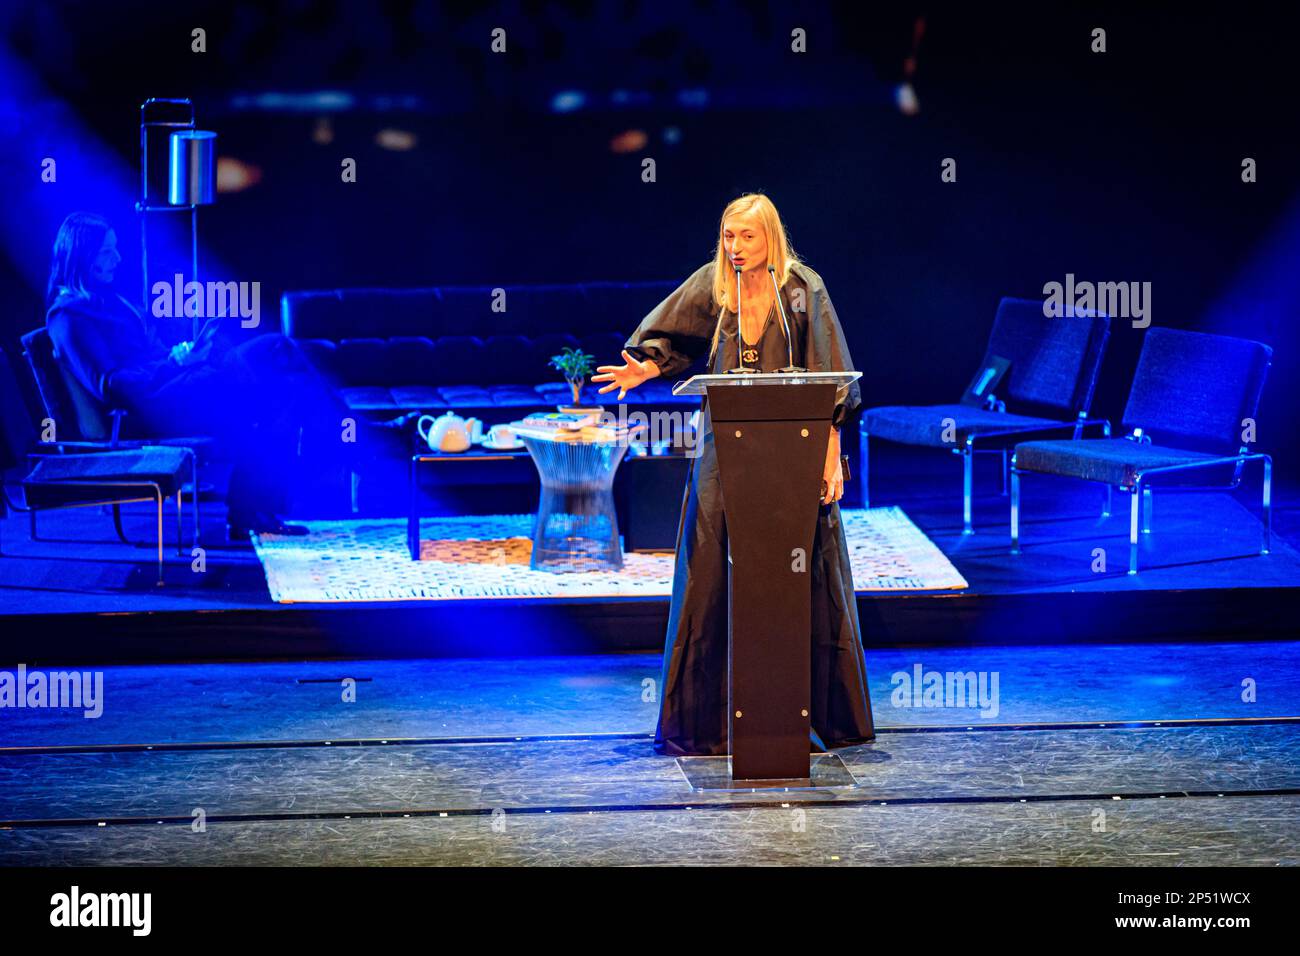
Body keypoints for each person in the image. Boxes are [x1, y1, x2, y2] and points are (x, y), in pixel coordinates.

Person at [592, 192, 874, 756]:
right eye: (728, 236)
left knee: (799, 566)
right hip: (726, 444)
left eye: (747, 236)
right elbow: (670, 339)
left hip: (793, 446)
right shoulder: (713, 286)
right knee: (710, 559)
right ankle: (705, 720)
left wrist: (828, 451)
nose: (736, 247)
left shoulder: (802, 289)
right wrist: (646, 366)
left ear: (770, 236)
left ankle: (814, 715)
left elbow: (832, 378)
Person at [43, 211, 407, 538]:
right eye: (107, 252)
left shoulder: (107, 300)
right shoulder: (70, 317)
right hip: (151, 410)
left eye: (115, 249)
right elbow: (111, 385)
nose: (117, 259)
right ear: (82, 256)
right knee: (278, 368)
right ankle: (364, 445)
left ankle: (254, 509)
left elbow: (144, 358)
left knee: (284, 375)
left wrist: (184, 354)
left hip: (176, 387)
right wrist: (175, 363)